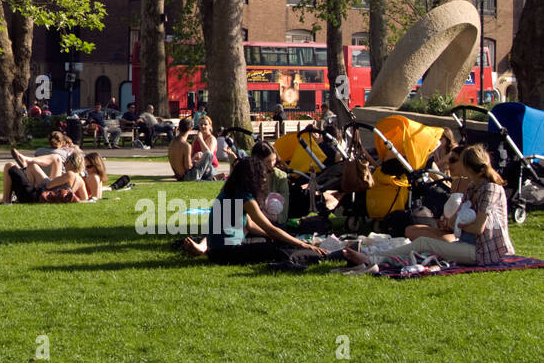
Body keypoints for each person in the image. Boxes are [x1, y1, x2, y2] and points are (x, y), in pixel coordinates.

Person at [343, 144, 515, 269]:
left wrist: (460, 225)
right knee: (422, 242)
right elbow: (459, 216)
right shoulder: (472, 187)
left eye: (458, 162)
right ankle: (372, 257)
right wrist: (450, 222)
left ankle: (370, 258)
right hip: (468, 243)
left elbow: (478, 228)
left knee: (425, 244)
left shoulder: (490, 189)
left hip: (484, 252)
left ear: (469, 168)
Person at [181, 143, 327, 263]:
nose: (264, 177)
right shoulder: (244, 197)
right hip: (226, 252)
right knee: (277, 249)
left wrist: (272, 237)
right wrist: (301, 243)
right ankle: (315, 254)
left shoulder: (232, 189)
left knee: (274, 242)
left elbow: (249, 225)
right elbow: (270, 228)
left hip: (218, 250)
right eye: (261, 174)